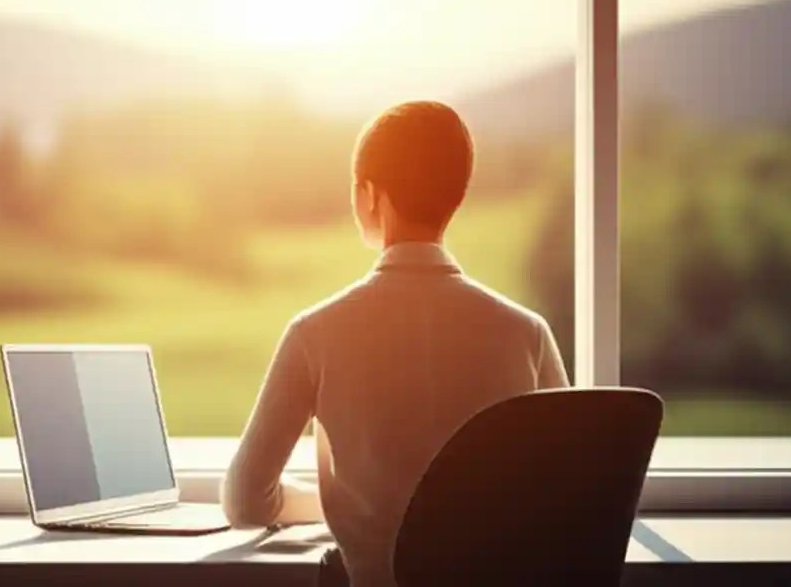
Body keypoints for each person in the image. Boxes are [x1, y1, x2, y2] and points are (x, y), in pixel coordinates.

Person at [220, 101, 570, 587]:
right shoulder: (528, 333)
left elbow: (244, 501)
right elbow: (568, 496)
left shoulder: (313, 333)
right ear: (456, 196)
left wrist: (345, 500)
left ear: (369, 196)